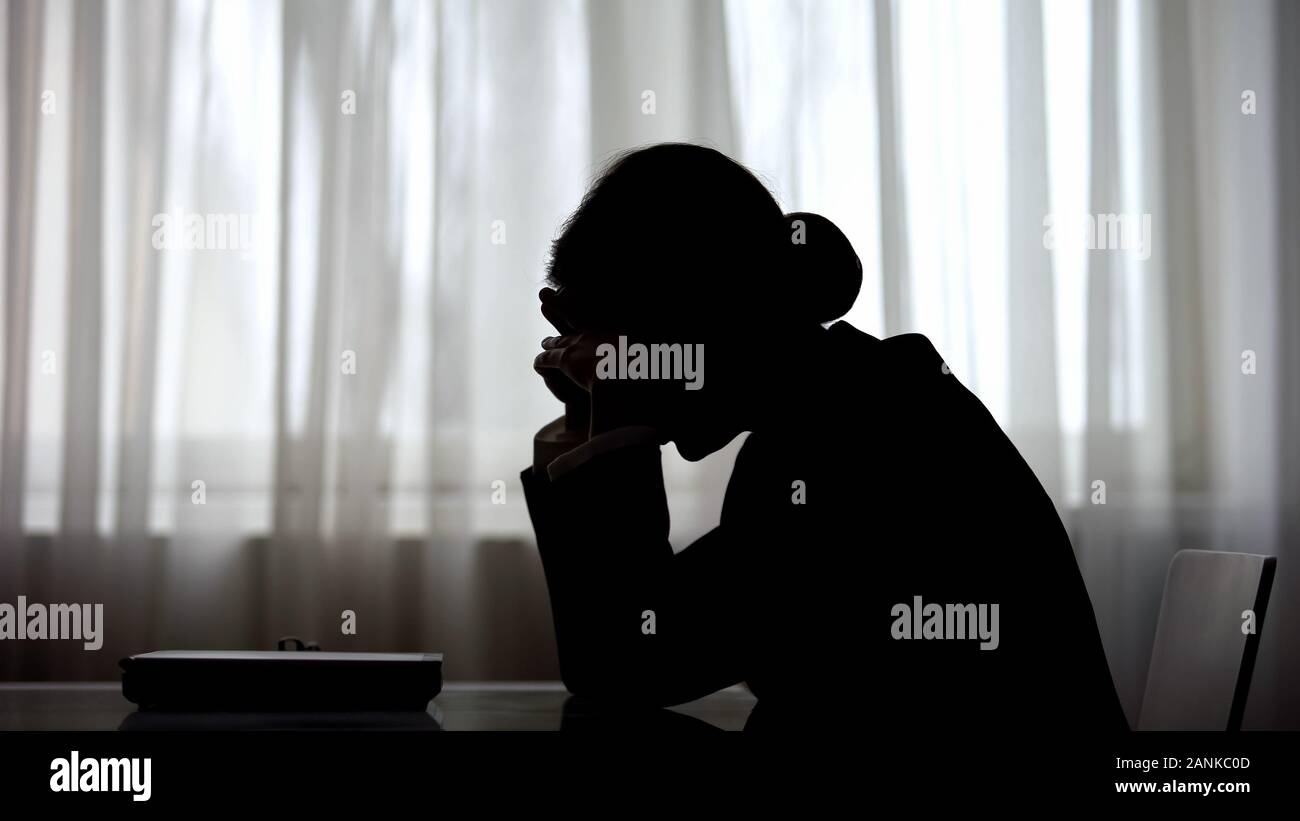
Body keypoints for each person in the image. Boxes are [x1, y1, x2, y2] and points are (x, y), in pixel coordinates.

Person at [521, 142, 1127, 733]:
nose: (611, 370)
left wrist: (617, 419)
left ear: (691, 315)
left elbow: (629, 662)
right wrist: (589, 412)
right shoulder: (846, 402)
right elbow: (623, 655)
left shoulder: (862, 437)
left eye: (614, 348)